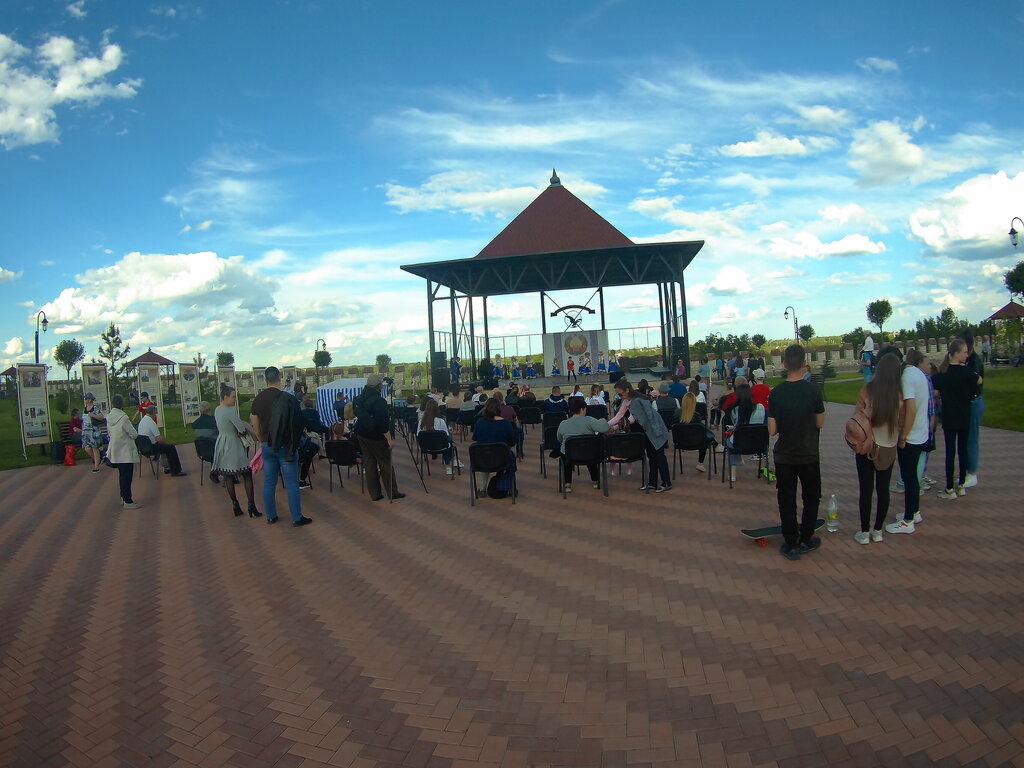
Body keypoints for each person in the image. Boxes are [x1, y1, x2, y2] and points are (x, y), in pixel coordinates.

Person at [767, 344, 825, 560]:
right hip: (808, 453)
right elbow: (820, 423)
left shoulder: (777, 393)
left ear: (784, 364)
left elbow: (772, 430)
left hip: (785, 456)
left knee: (786, 499)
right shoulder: (813, 391)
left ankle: (791, 544)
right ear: (804, 363)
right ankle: (807, 538)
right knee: (811, 497)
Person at [250, 366, 312, 526]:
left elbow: (255, 424)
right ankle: (296, 517)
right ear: (280, 378)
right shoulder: (288, 398)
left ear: (265, 379)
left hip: (267, 445)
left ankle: (271, 515)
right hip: (286, 445)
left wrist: (261, 439)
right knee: (291, 482)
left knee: (269, 481)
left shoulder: (258, 399)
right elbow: (298, 423)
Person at [851, 354, 902, 545]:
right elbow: (902, 421)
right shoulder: (898, 394)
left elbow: (857, 415)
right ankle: (878, 530)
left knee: (865, 490)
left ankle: (864, 532)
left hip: (866, 444)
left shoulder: (868, 389)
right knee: (883, 489)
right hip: (888, 445)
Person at [885, 349, 930, 536]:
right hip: (921, 432)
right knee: (913, 478)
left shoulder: (906, 378)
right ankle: (914, 512)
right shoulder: (916, 372)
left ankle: (908, 522)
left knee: (909, 478)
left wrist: (903, 436)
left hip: (911, 436)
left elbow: (910, 409)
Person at [932, 339, 982, 500]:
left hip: (950, 417)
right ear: (956, 353)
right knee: (962, 451)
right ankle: (960, 485)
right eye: (964, 352)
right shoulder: (967, 373)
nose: (967, 355)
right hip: (964, 416)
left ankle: (949, 488)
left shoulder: (943, 373)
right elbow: (978, 382)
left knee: (950, 452)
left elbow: (935, 391)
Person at [608, 379, 671, 492]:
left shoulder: (638, 400)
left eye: (620, 394)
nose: (619, 396)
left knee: (659, 456)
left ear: (627, 390)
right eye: (617, 394)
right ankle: (652, 482)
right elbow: (619, 416)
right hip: (646, 431)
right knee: (652, 457)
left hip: (655, 430)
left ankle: (666, 482)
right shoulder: (627, 401)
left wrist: (614, 428)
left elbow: (639, 417)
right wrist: (606, 425)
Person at [353, 373, 405, 501]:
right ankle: (392, 492)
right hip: (375, 437)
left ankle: (375, 494)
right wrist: (388, 439)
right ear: (378, 386)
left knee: (369, 464)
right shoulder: (379, 401)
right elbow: (383, 425)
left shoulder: (359, 398)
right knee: (385, 463)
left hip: (361, 433)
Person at [213, 384, 261, 517]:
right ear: (225, 396)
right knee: (246, 474)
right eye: (233, 397)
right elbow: (240, 428)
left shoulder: (217, 409)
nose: (235, 399)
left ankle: (235, 504)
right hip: (233, 444)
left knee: (228, 475)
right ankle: (251, 505)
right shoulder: (230, 410)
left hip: (222, 441)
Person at [557, 396, 610, 492]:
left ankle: (567, 483)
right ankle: (595, 481)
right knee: (590, 454)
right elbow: (605, 428)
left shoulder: (563, 423)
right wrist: (603, 420)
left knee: (564, 454)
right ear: (582, 409)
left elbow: (559, 439)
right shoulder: (589, 420)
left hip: (570, 455)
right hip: (590, 454)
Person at [471, 397, 518, 496]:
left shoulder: (480, 422)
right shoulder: (507, 424)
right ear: (499, 409)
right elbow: (512, 442)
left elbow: (475, 438)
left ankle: (481, 489)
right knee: (511, 457)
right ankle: (506, 484)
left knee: (483, 454)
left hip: (482, 461)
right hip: (502, 460)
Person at [724, 383, 766, 482]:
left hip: (740, 442)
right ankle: (762, 466)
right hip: (758, 442)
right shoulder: (761, 407)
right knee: (739, 435)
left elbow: (737, 426)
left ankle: (733, 473)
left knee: (733, 439)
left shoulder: (734, 410)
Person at [106, 395, 140, 509]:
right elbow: (133, 434)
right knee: (127, 476)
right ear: (122, 404)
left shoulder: (109, 417)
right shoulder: (123, 418)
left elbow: (110, 433)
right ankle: (128, 501)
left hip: (115, 449)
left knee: (122, 475)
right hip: (125, 450)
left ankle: (123, 497)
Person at [961, 329, 984, 488]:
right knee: (967, 438)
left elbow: (973, 384)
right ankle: (968, 471)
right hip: (968, 403)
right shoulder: (968, 361)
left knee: (971, 438)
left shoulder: (974, 362)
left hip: (974, 403)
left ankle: (973, 473)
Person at [138, 405, 187, 476]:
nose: (156, 415)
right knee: (171, 448)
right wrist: (165, 442)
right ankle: (176, 471)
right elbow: (159, 438)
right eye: (155, 413)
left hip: (143, 448)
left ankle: (167, 467)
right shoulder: (151, 422)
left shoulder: (142, 421)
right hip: (152, 448)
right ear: (153, 413)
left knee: (165, 447)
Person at [418, 397, 461, 475]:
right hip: (441, 445)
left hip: (426, 447)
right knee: (448, 442)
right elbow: (446, 436)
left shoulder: (421, 422)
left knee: (445, 441)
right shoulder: (441, 421)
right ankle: (449, 465)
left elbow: (418, 435)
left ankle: (453, 461)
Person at [80, 393, 106, 472]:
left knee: (95, 448)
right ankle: (98, 459)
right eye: (85, 399)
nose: (86, 400)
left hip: (94, 430)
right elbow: (83, 421)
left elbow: (101, 417)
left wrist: (93, 415)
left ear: (91, 399)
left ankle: (96, 467)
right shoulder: (84, 409)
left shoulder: (95, 408)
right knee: (87, 448)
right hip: (86, 431)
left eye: (87, 399)